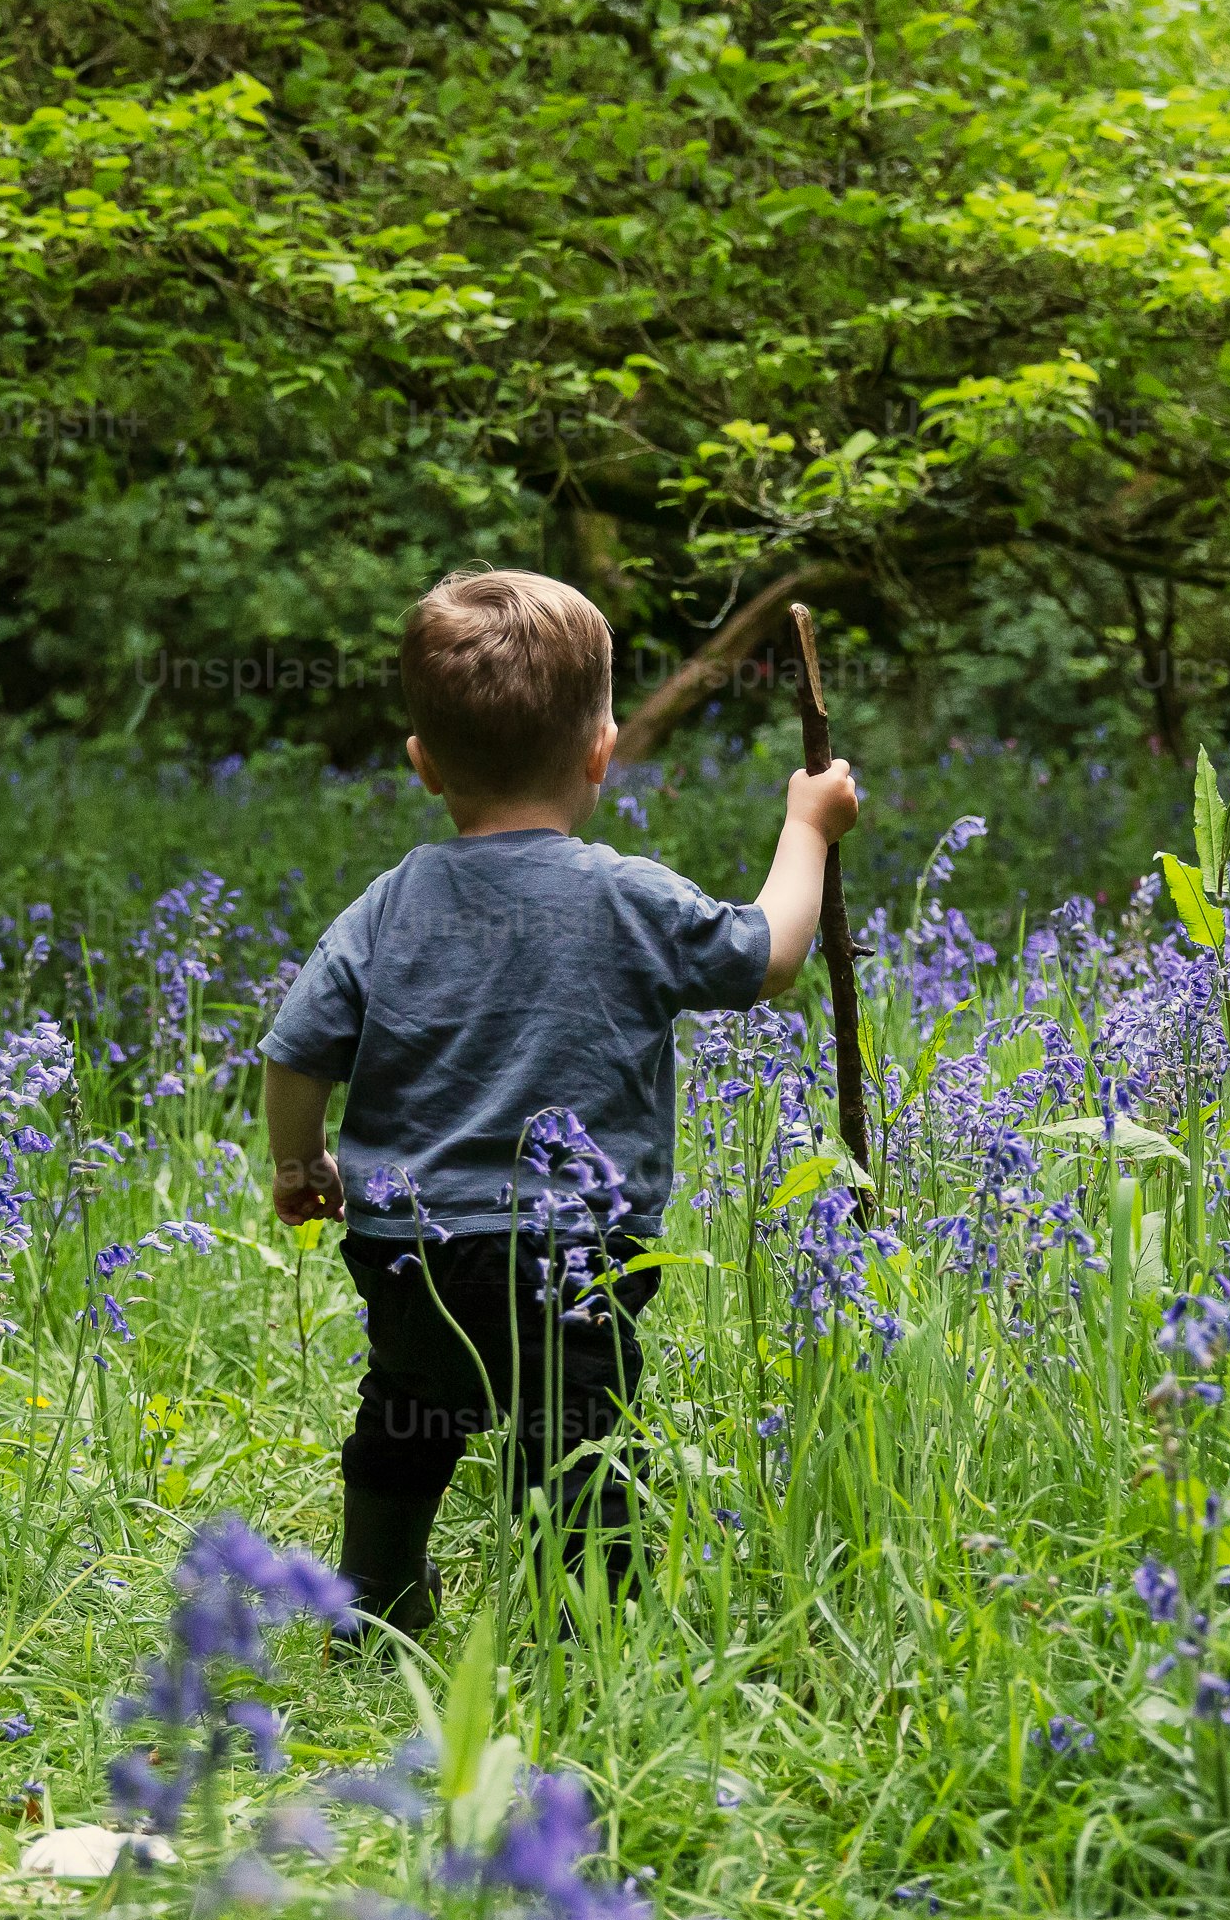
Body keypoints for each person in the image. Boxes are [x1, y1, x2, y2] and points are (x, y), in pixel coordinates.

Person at [257, 569, 861, 1633]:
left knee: (403, 1419)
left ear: (422, 763)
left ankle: (379, 1602)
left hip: (414, 1245)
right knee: (577, 1434)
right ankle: (583, 1629)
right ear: (600, 752)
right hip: (572, 1254)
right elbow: (769, 957)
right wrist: (805, 827)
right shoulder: (626, 895)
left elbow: (296, 1051)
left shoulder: (387, 904)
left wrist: (300, 1168)